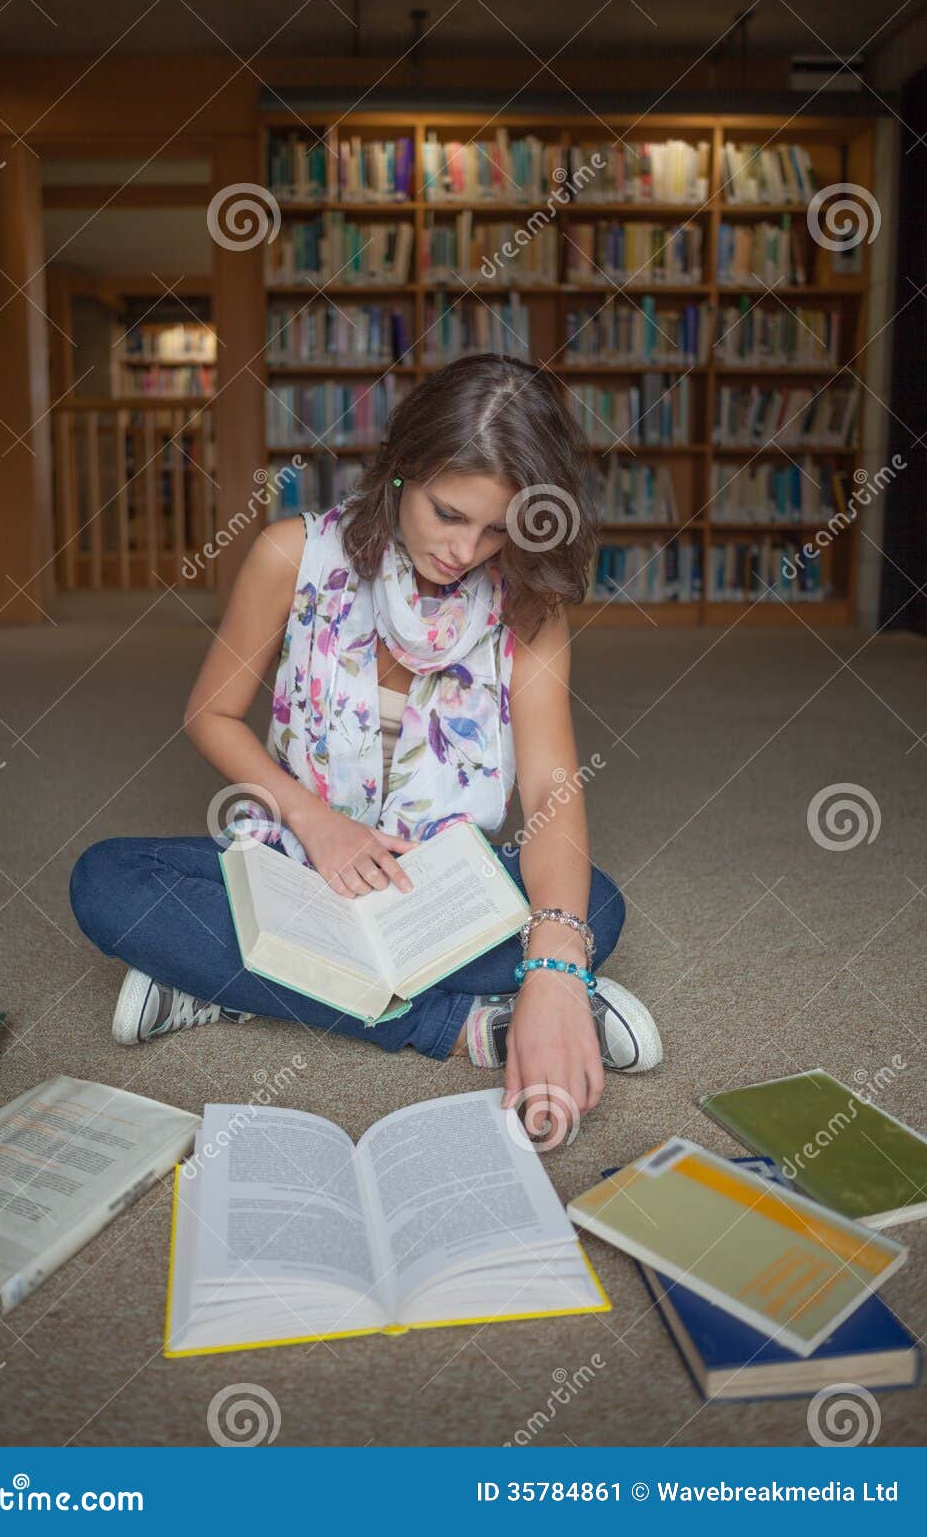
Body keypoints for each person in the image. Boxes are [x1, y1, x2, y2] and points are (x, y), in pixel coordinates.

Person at [70, 354, 662, 1136]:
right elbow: (211, 716)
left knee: (598, 909)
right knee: (108, 881)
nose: (465, 551)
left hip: (433, 895)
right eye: (448, 514)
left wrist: (554, 966)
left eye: (496, 529)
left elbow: (553, 788)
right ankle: (457, 1027)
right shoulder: (293, 553)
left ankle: (220, 985)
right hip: (297, 862)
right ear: (399, 471)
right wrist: (318, 824)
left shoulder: (528, 609)